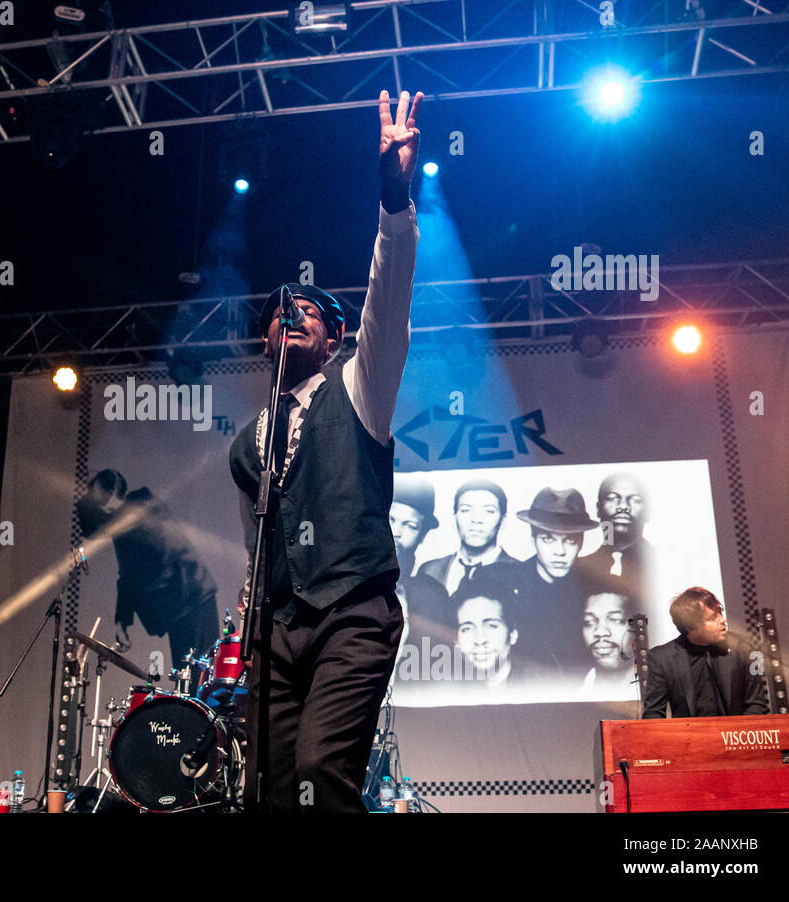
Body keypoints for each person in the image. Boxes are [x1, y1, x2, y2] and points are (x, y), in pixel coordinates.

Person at [228, 89, 422, 813]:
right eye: (279, 316)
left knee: (319, 775)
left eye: (307, 312)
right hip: (278, 630)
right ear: (266, 341)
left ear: (335, 339)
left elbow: (390, 295)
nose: (290, 317)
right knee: (272, 791)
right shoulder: (248, 441)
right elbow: (257, 540)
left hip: (352, 612)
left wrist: (393, 199)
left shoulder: (361, 388)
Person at [75, 468, 219, 667]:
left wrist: (143, 607)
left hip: (193, 601)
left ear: (108, 500)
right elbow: (127, 576)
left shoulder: (141, 511)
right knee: (186, 678)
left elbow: (165, 560)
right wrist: (122, 622)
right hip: (182, 608)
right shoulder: (122, 523)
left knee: (197, 677)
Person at [506, 487, 600, 671]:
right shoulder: (507, 583)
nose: (560, 551)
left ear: (582, 542)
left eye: (570, 540)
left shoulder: (595, 588)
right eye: (548, 539)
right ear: (533, 539)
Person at [642, 587, 768, 718]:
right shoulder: (661, 658)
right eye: (713, 618)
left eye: (720, 612)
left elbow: (757, 704)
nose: (722, 620)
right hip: (689, 737)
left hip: (736, 735)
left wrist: (737, 735)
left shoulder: (745, 648)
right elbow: (653, 713)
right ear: (691, 627)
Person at [417, 478, 519, 596]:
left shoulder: (520, 572)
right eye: (465, 510)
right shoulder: (429, 570)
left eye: (489, 511)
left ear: (503, 521)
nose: (476, 520)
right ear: (454, 518)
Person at [389, 476, 450, 661]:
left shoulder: (432, 595)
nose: (396, 532)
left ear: (423, 535)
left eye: (410, 526)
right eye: (391, 519)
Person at [583, 472, 656, 605]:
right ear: (598, 509)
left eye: (635, 499)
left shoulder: (660, 565)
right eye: (612, 498)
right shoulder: (579, 569)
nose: (623, 506)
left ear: (647, 512)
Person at [577, 591, 640, 700]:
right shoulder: (574, 691)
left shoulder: (657, 689)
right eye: (589, 622)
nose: (600, 632)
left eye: (616, 620)